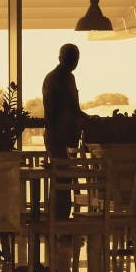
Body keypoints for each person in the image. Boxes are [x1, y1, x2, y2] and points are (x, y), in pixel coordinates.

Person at [43, 43, 89, 219]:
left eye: (75, 58)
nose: (74, 62)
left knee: (63, 179)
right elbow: (58, 112)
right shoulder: (57, 78)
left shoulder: (66, 77)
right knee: (61, 179)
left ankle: (60, 221)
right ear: (61, 59)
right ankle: (58, 221)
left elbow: (72, 109)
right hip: (58, 138)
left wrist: (83, 117)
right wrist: (78, 119)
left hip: (66, 137)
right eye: (72, 58)